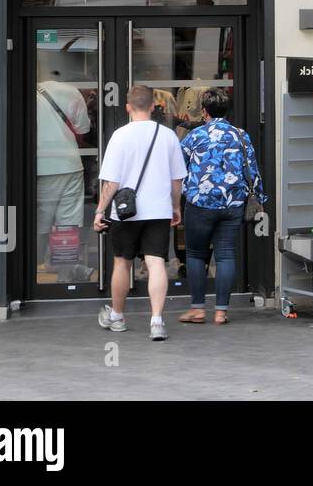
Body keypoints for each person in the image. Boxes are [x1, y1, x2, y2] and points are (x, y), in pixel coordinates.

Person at [94, 85, 187, 341]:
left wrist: (100, 211)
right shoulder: (167, 136)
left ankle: (117, 316)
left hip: (125, 212)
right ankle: (156, 321)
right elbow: (177, 178)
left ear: (127, 107)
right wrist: (175, 206)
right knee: (156, 261)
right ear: (154, 106)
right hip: (158, 210)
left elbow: (111, 182)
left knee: (122, 262)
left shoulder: (120, 136)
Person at [177, 90, 267, 325]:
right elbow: (252, 170)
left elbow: (178, 166)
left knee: (196, 254)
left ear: (204, 112)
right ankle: (221, 312)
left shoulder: (195, 135)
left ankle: (197, 309)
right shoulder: (240, 135)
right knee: (226, 254)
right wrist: (259, 199)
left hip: (200, 203)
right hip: (233, 204)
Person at [35, 72, 93, 283]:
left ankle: (34, 265)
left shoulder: (29, 92)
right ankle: (65, 276)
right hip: (70, 164)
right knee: (67, 222)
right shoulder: (72, 92)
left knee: (41, 222)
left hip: (41, 166)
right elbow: (83, 127)